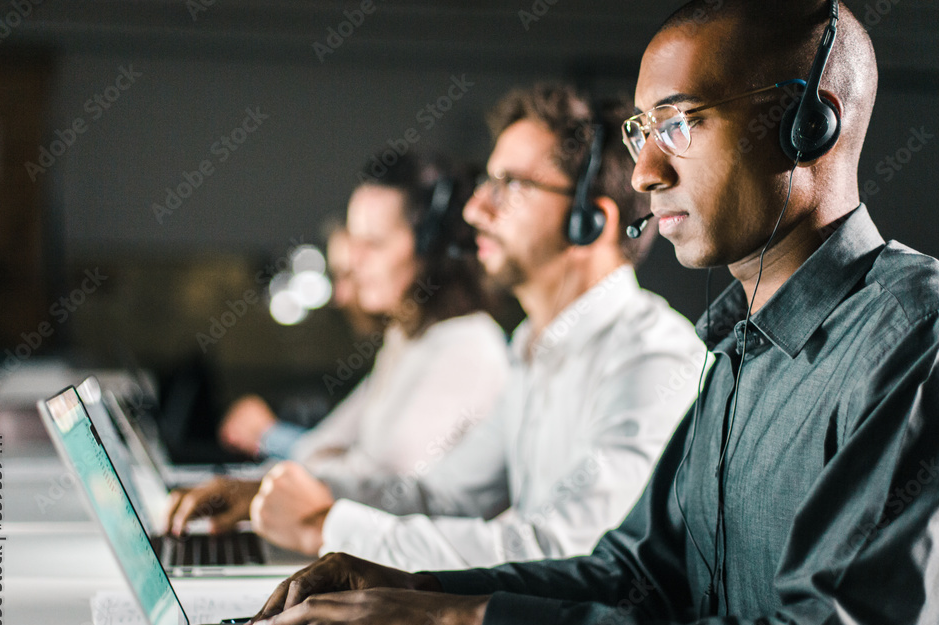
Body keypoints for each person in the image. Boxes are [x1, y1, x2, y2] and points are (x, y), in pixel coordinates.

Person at [240, 3, 939, 625]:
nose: (646, 171)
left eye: (681, 124)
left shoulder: (916, 331)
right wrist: (424, 589)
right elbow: (637, 573)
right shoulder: (742, 348)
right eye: (642, 131)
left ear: (806, 123)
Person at [225, 83, 705, 570]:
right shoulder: (532, 347)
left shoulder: (652, 357)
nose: (476, 210)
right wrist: (283, 497)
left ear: (589, 221)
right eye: (487, 184)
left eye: (512, 186)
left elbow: (565, 550)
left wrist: (325, 525)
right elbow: (442, 498)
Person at [165, 154, 510, 538]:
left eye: (373, 244)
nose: (352, 260)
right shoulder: (407, 339)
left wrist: (261, 488)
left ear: (435, 252)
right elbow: (317, 450)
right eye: (353, 238)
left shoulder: (467, 347)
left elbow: (386, 485)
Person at [217, 221, 384, 460]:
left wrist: (267, 434)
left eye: (349, 275)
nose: (339, 297)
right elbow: (328, 445)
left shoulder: (420, 353)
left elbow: (358, 470)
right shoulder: (394, 355)